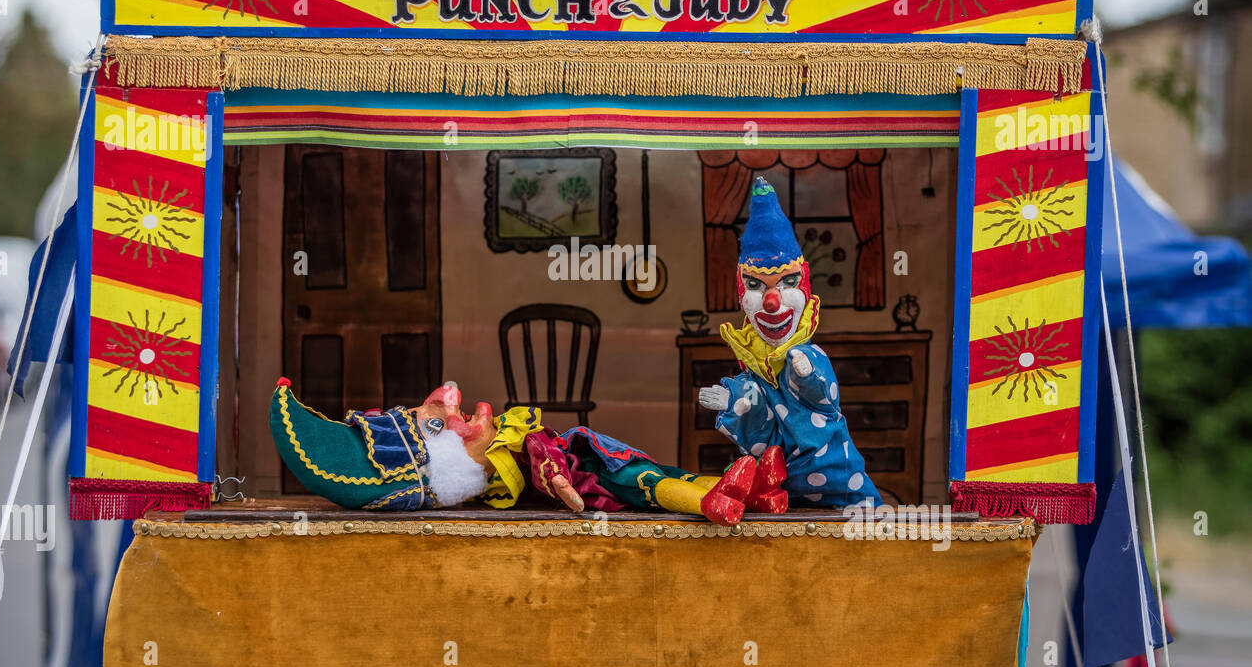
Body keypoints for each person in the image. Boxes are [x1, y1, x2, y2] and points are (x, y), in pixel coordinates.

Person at [270, 378, 788, 525]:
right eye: (438, 420)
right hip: (589, 475)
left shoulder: (510, 447)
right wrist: (558, 479)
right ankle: (708, 502)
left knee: (655, 469)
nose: (452, 396)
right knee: (643, 485)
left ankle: (755, 491)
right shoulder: (515, 460)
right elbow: (545, 467)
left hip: (589, 454)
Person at [698, 177, 880, 510]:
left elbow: (823, 398)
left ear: (804, 287)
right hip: (784, 498)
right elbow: (755, 407)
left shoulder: (808, 354)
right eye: (756, 285)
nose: (771, 301)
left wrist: (807, 374)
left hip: (842, 485)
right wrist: (732, 398)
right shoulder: (753, 364)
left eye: (787, 283)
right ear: (742, 295)